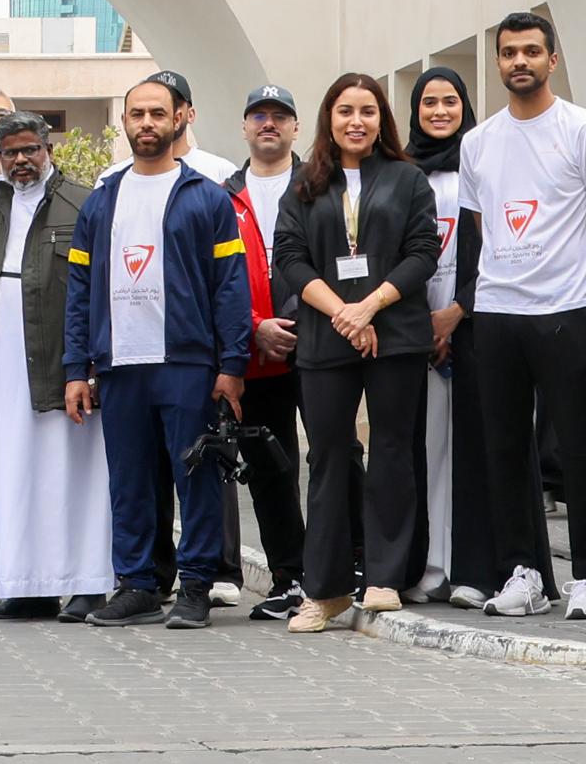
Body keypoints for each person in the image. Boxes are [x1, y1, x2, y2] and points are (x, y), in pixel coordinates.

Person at [449, 12, 586, 621]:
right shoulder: (478, 142)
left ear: (552, 60)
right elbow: (483, 224)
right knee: (504, 448)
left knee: (580, 448)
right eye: (508, 52)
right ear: (498, 62)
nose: (519, 61)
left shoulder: (585, 130)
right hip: (498, 312)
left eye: (530, 51)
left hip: (569, 310)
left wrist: (572, 282)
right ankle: (523, 572)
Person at [64, 69, 250, 629]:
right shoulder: (101, 201)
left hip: (187, 364)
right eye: (137, 114)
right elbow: (79, 290)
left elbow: (231, 287)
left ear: (180, 118)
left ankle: (196, 586)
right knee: (129, 482)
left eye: (157, 113)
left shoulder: (207, 198)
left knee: (196, 478)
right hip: (118, 366)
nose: (147, 123)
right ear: (124, 122)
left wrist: (232, 364)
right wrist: (76, 367)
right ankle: (138, 585)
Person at [274, 72, 440, 631]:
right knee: (327, 457)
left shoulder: (407, 178)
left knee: (393, 450)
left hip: (395, 334)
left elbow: (423, 253)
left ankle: (384, 578)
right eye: (345, 111)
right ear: (329, 118)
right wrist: (344, 314)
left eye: (367, 111)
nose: (356, 121)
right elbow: (290, 258)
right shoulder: (305, 182)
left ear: (381, 120)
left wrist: (369, 307)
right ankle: (325, 591)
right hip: (326, 336)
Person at [0, 110, 104, 619]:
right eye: (10, 152)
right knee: (13, 471)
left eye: (29, 150)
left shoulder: (83, 202)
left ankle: (87, 585)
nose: (20, 160)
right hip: (4, 359)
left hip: (64, 359)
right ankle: (26, 586)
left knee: (74, 472)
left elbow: (99, 291)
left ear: (48, 150)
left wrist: (89, 367)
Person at [224, 83, 311, 618]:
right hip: (255, 351)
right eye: (259, 115)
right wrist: (255, 326)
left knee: (335, 456)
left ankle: (349, 564)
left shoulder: (320, 185)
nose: (269, 124)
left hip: (319, 342)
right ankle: (288, 578)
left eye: (280, 115)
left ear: (296, 127)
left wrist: (303, 319)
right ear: (245, 127)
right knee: (269, 465)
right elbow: (217, 278)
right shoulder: (222, 194)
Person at [407, 64, 478, 603]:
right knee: (425, 452)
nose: (439, 111)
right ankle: (428, 567)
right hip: (413, 336)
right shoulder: (400, 172)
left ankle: (472, 568)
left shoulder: (483, 164)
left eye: (450, 101)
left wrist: (458, 311)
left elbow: (499, 247)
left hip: (475, 326)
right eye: (428, 102)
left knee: (472, 452)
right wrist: (423, 323)